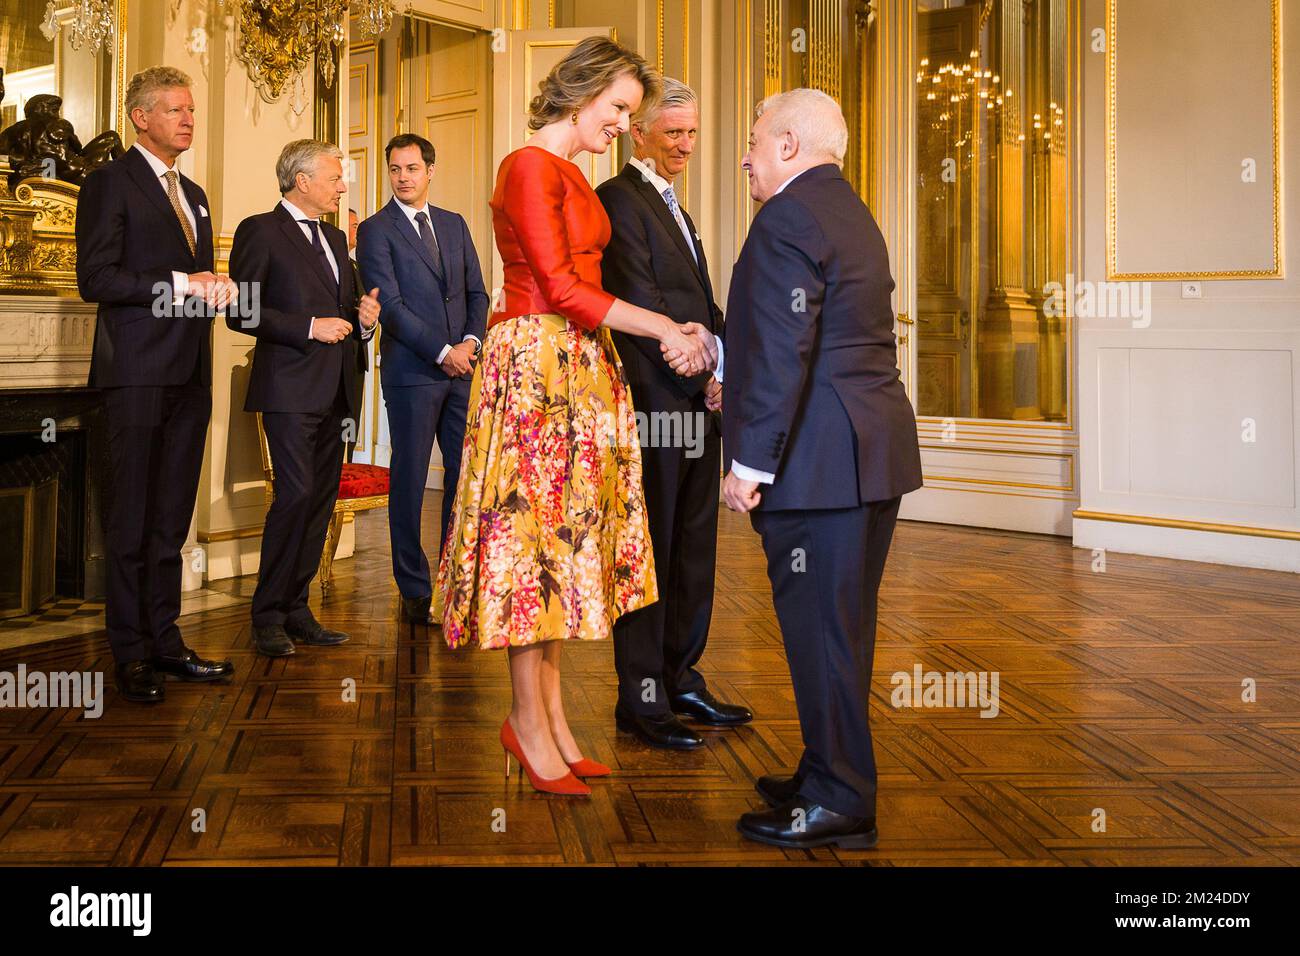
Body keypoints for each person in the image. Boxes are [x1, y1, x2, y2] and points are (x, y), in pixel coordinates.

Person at [434, 37, 716, 797]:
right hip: (536, 363)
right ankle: (528, 722)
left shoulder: (569, 174)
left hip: (577, 365)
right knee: (533, 549)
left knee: (560, 546)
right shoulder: (528, 165)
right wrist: (661, 327)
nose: (626, 124)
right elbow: (558, 286)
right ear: (580, 91)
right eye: (619, 108)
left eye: (630, 112)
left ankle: (552, 719)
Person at [713, 89, 922, 848]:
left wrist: (748, 464)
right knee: (843, 632)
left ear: (790, 145)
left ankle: (840, 800)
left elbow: (781, 350)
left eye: (754, 140)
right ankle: (827, 768)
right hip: (869, 455)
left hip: (818, 464)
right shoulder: (848, 208)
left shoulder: (788, 216)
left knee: (822, 635)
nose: (745, 156)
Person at [596, 78, 750, 750]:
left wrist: (720, 368)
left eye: (692, 133)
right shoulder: (616, 200)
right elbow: (635, 296)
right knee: (649, 550)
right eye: (674, 133)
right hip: (651, 405)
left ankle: (683, 676)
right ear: (640, 133)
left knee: (692, 551)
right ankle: (642, 699)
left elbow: (702, 305)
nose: (686, 145)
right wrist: (690, 360)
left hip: (697, 402)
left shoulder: (678, 211)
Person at [75, 66, 236, 703]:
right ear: (141, 117)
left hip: (190, 375)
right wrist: (181, 283)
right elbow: (98, 279)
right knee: (131, 520)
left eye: (192, 109)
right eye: (175, 109)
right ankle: (131, 652)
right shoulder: (108, 183)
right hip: (134, 377)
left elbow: (193, 280)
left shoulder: (194, 192)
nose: (189, 119)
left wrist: (214, 287)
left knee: (171, 521)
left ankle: (167, 642)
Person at [228, 139, 381, 657]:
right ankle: (266, 614)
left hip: (339, 390)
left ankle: (298, 609)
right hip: (289, 390)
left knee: (319, 502)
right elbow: (241, 312)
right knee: (293, 497)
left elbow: (349, 313)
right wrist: (309, 327)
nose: (343, 186)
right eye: (335, 177)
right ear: (302, 181)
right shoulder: (259, 231)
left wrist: (363, 325)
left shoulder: (338, 240)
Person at [356, 133, 489, 625]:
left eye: (412, 168)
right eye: (395, 169)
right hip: (413, 373)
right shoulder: (375, 230)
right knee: (410, 481)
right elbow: (388, 306)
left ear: (430, 171)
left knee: (461, 477)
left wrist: (470, 345)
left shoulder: (454, 225)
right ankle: (414, 588)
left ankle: (454, 579)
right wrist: (441, 353)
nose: (404, 177)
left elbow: (478, 293)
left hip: (463, 371)